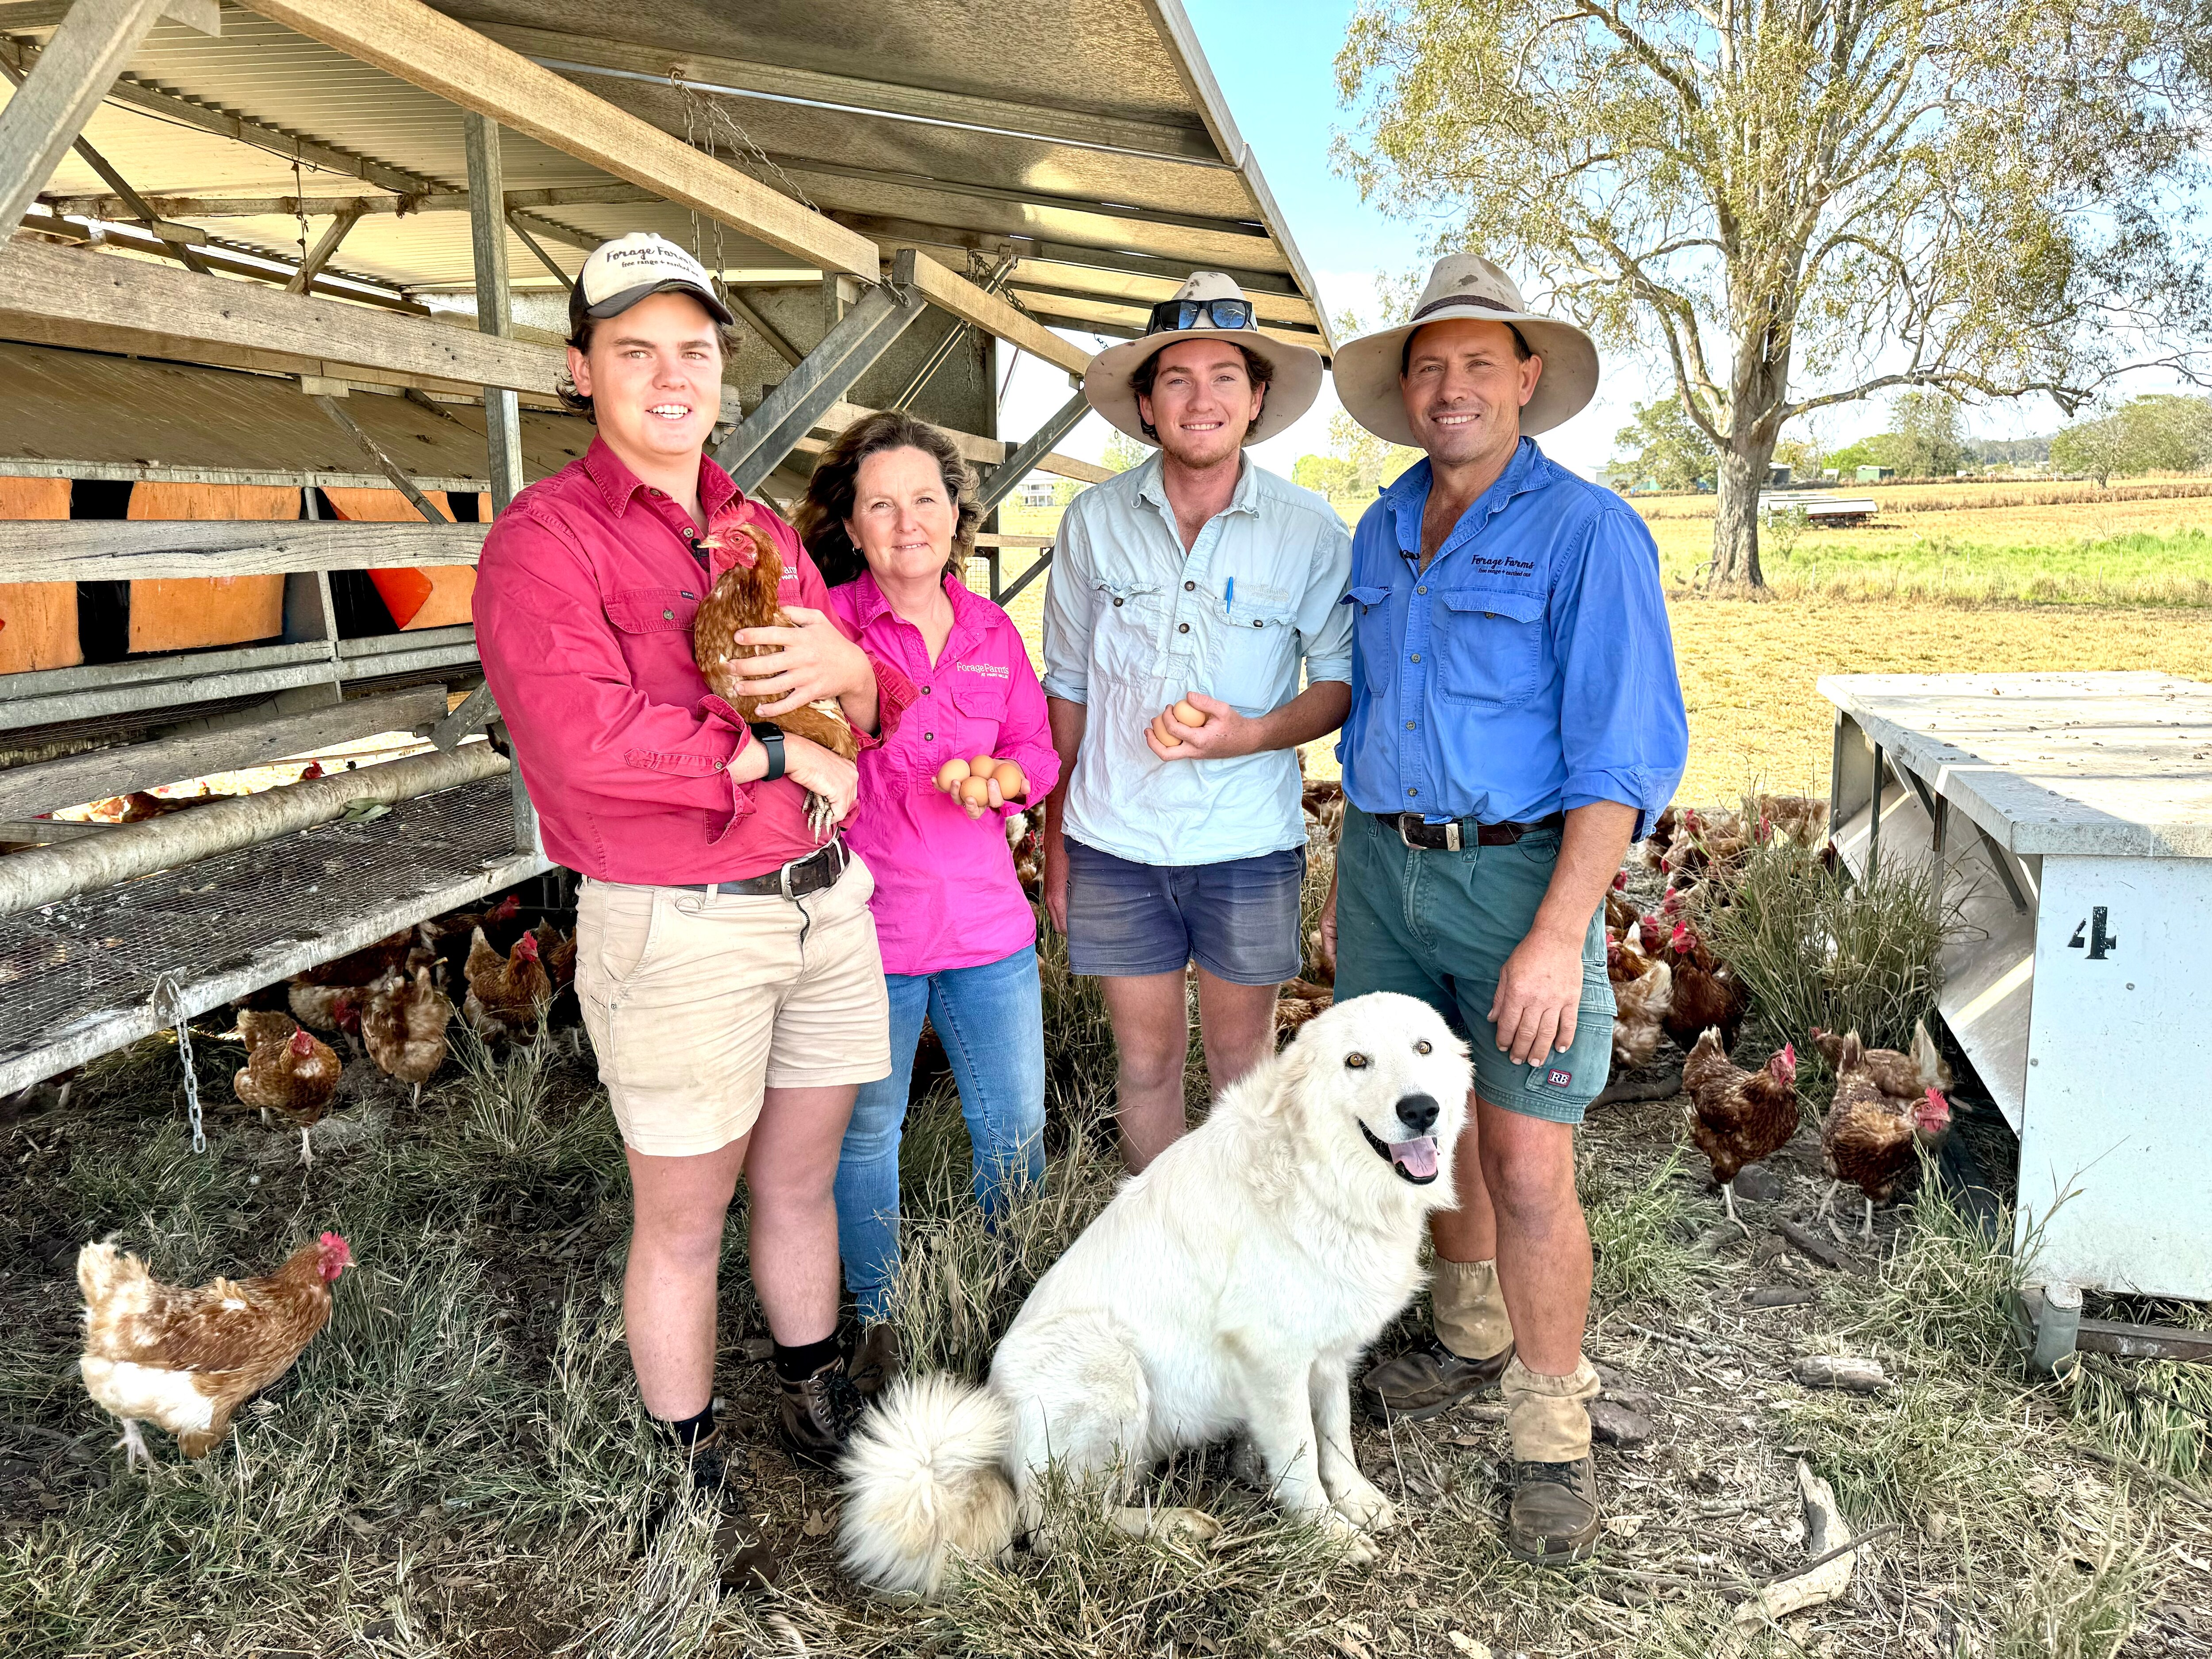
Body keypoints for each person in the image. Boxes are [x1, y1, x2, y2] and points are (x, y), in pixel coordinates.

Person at [472, 233, 917, 1565]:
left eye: (695, 350)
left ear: (722, 374)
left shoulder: (760, 523)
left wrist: (849, 670)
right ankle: (686, 1457)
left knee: (801, 1178)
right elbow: (584, 747)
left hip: (823, 901)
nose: (672, 376)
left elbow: (870, 714)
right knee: (682, 1212)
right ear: (581, 371)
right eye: (635, 349)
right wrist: (783, 750)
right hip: (680, 919)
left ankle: (810, 1384)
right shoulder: (542, 542)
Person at [1318, 253, 1688, 1564]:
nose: (1451, 385)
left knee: (1530, 1158)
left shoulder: (1588, 532)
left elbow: (1624, 759)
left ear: (1529, 378)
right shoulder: (1382, 525)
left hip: (1518, 876)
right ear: (1403, 388)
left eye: (1481, 362)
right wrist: (1348, 862)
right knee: (1427, 1126)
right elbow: (1365, 700)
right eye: (1430, 364)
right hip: (1383, 866)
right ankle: (1469, 1331)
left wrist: (1554, 931)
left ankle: (1551, 1421)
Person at [1039, 272, 1351, 1171]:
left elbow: (1337, 684)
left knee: (1239, 1067)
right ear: (1145, 403)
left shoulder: (1308, 531)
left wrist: (1245, 736)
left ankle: (1239, 1264)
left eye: (1225, 376)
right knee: (1144, 1063)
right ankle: (1161, 1252)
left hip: (1245, 846)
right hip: (1113, 841)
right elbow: (1067, 685)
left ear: (1257, 400)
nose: (1200, 397)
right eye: (1175, 378)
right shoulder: (1092, 523)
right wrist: (1058, 836)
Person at [802, 410, 1060, 1365]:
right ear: (853, 524)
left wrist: (1009, 780)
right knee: (868, 1129)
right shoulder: (826, 626)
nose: (907, 522)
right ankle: (876, 1313)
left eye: (925, 500)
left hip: (988, 922)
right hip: (868, 925)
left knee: (1016, 1124)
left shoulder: (993, 630)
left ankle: (1007, 1292)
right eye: (882, 505)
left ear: (958, 514)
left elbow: (1034, 743)